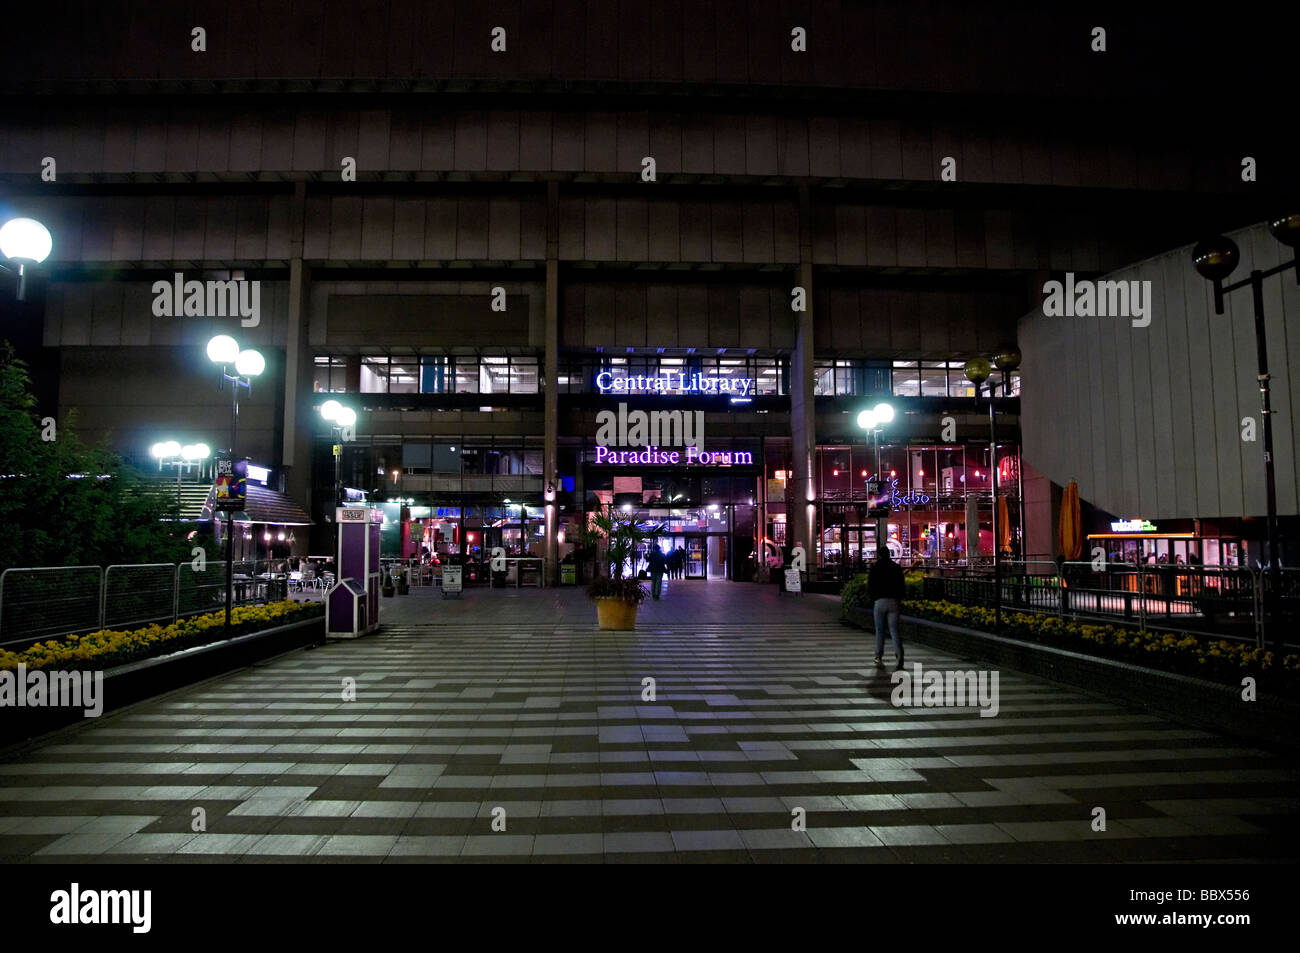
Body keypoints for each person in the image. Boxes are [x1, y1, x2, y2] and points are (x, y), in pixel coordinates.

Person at [867, 547, 906, 670]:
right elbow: (901, 585)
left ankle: (878, 655)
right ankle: (899, 655)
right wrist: (899, 598)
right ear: (889, 554)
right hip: (893, 601)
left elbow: (870, 586)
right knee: (894, 630)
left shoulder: (875, 568)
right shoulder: (896, 567)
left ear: (879, 555)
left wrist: (873, 598)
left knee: (879, 630)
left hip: (879, 601)